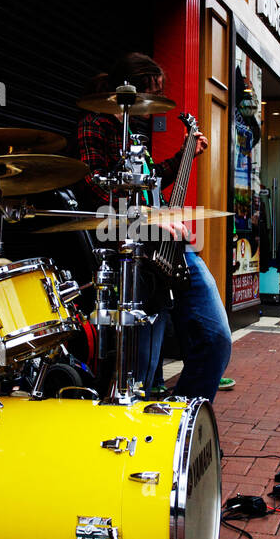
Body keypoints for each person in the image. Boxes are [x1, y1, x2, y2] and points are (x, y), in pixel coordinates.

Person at [70, 52, 229, 401]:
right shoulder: (94, 125)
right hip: (131, 254)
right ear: (129, 91)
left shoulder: (133, 137)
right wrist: (149, 222)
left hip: (169, 247)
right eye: (150, 94)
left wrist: (186, 154)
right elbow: (94, 189)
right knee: (139, 370)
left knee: (216, 340)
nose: (151, 105)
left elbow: (149, 184)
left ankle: (184, 421)